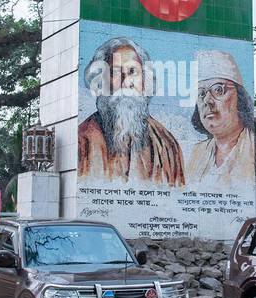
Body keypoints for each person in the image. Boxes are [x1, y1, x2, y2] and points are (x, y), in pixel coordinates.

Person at [77, 36, 185, 186]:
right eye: (115, 72)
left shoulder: (167, 145)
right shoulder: (81, 141)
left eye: (132, 71)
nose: (126, 82)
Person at [186, 50, 256, 184]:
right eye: (201, 94)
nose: (207, 100)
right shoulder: (196, 154)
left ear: (240, 98)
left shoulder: (255, 148)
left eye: (218, 90)